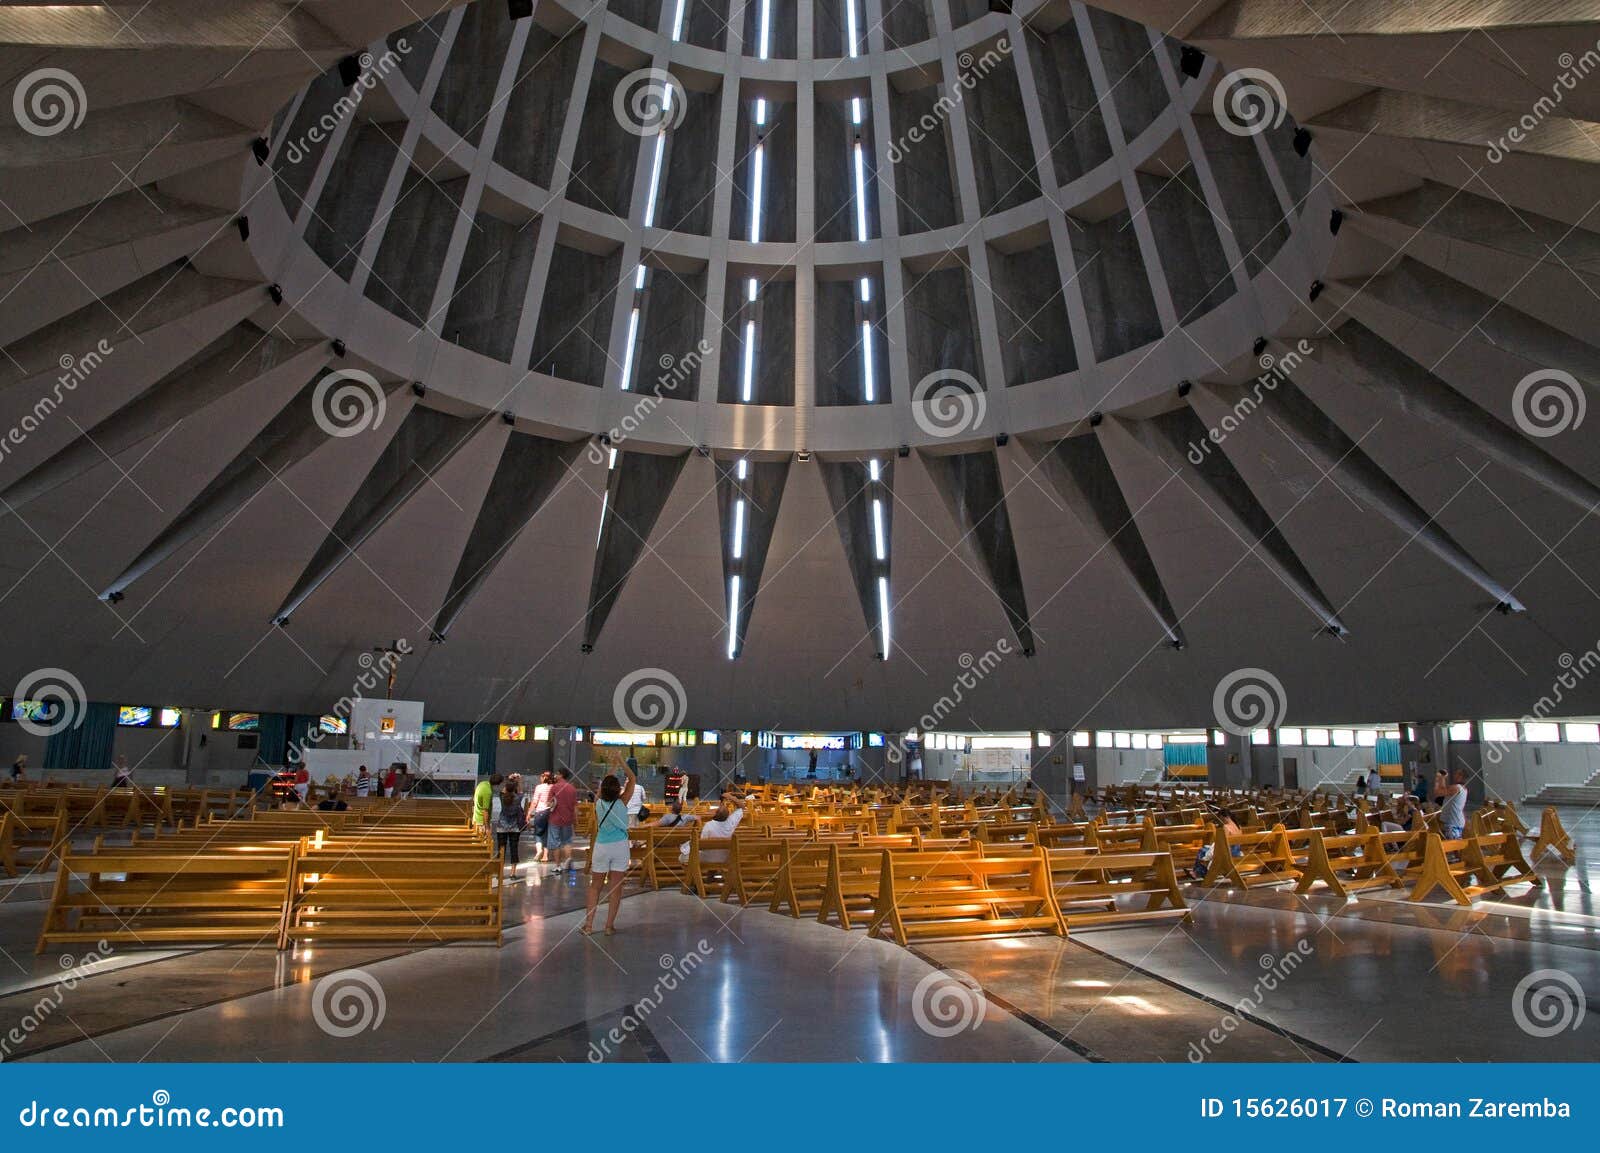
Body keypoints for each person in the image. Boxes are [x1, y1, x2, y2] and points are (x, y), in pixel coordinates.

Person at [582, 765, 636, 936]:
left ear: (603, 789)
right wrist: (621, 761)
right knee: (616, 889)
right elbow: (632, 779)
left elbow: (602, 785)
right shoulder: (622, 802)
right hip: (620, 847)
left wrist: (612, 766)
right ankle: (608, 926)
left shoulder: (598, 803)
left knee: (595, 887)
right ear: (618, 790)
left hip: (602, 846)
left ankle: (589, 926)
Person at [679, 791, 746, 865]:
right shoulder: (731, 822)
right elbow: (742, 807)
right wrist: (731, 797)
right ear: (728, 816)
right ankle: (711, 873)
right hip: (725, 858)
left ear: (715, 815)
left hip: (707, 858)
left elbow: (702, 846)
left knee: (682, 857)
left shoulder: (708, 825)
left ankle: (693, 875)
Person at [546, 768, 579, 874]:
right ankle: (568, 858)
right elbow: (575, 807)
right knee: (567, 841)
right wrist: (575, 820)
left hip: (555, 819)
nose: (555, 776)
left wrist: (550, 805)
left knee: (555, 842)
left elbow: (549, 803)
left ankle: (557, 866)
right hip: (568, 819)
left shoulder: (554, 787)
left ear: (560, 775)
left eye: (557, 774)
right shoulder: (572, 788)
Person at [494, 776, 528, 872]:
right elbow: (521, 791)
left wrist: (509, 780)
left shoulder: (502, 797)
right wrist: (519, 780)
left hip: (502, 827)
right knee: (514, 848)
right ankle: (513, 872)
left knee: (501, 849)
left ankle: (499, 871)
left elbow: (503, 790)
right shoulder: (517, 799)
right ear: (515, 789)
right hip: (515, 827)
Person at [529, 771, 555, 862]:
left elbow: (535, 801)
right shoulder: (554, 787)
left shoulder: (539, 787)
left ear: (544, 778)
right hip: (551, 812)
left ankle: (539, 851)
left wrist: (529, 813)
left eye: (541, 776)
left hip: (540, 812)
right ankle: (545, 856)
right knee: (547, 834)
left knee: (538, 833)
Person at [1438, 767, 1469, 839]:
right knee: (1455, 846)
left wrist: (1442, 778)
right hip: (1457, 821)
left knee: (1452, 846)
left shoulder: (1456, 788)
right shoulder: (1464, 788)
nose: (1454, 775)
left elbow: (1439, 792)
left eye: (1457, 774)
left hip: (1452, 823)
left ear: (1460, 776)